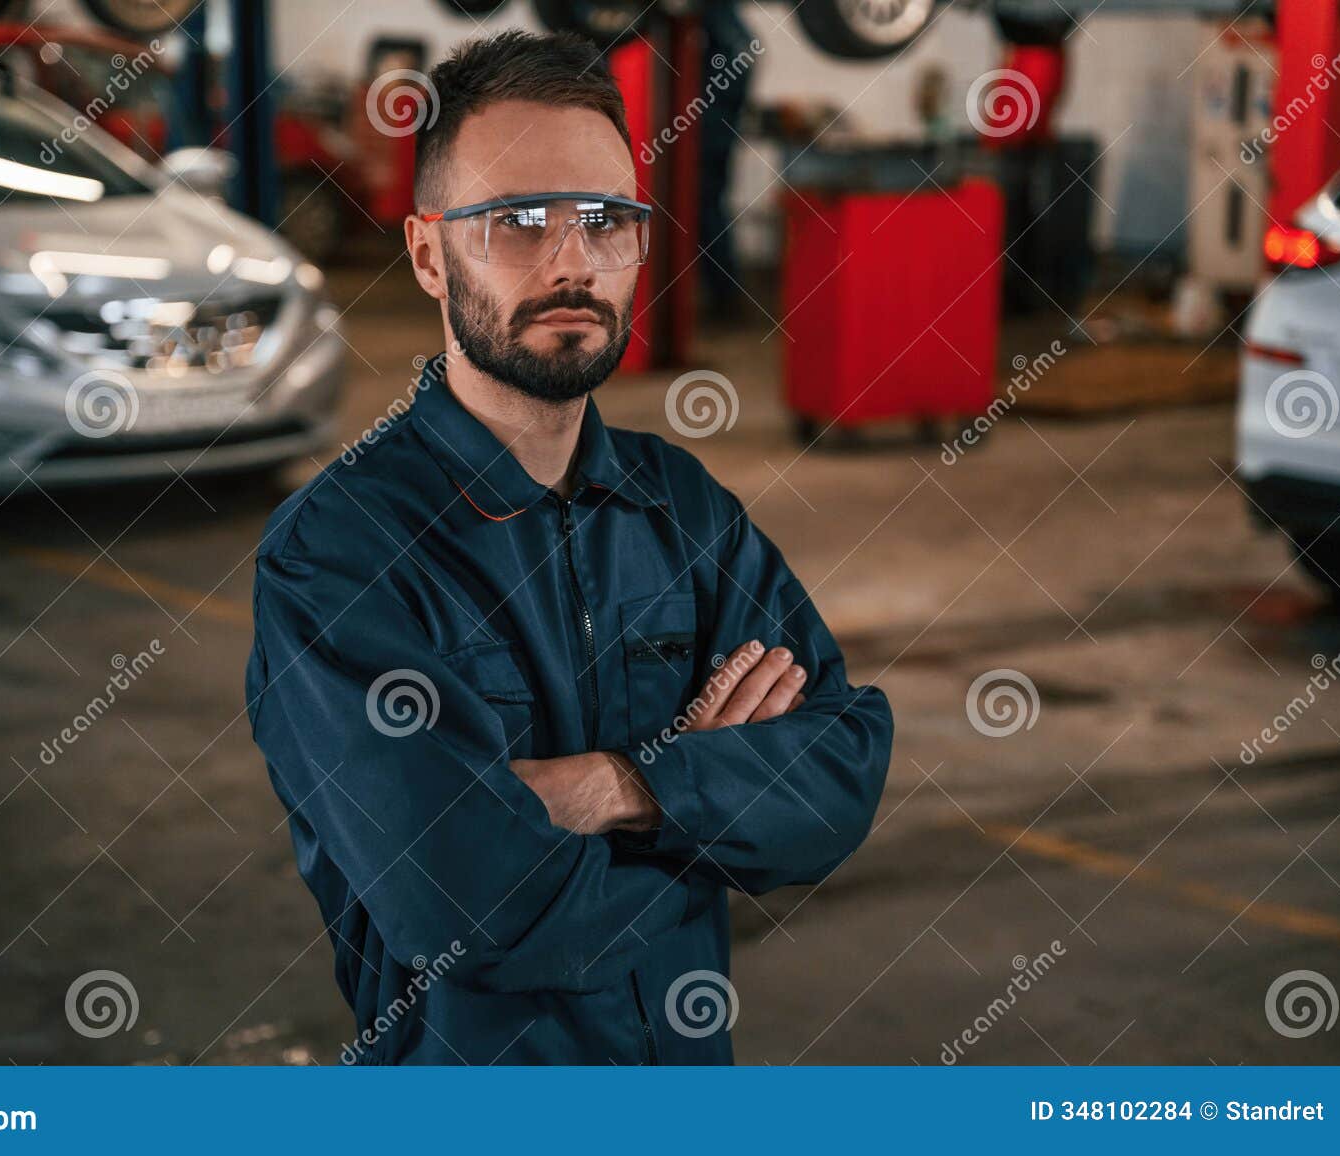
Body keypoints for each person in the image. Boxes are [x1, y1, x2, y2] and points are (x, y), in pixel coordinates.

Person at [245, 30, 893, 1065]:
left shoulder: (679, 508)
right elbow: (458, 897)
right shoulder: (339, 554)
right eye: (516, 221)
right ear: (426, 253)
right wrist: (707, 812)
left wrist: (610, 786)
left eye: (605, 220)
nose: (571, 261)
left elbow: (840, 772)